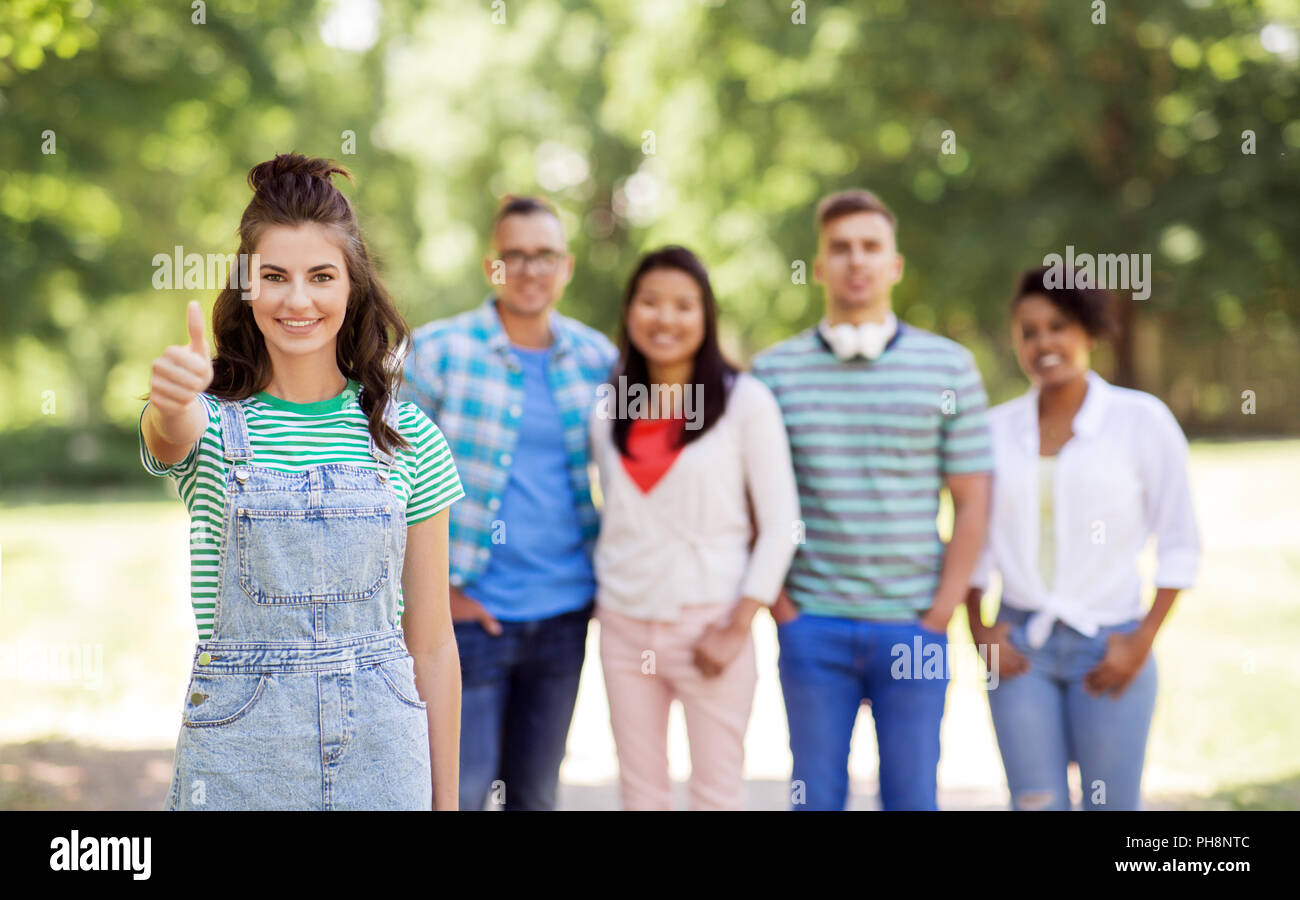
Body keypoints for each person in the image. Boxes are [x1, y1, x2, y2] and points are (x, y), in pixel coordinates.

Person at [138, 153, 465, 810]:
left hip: (385, 756)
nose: (298, 299)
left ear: (352, 287)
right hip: (237, 760)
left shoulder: (408, 439)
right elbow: (165, 433)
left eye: (321, 276)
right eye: (274, 276)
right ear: (247, 286)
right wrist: (172, 399)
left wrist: (446, 803)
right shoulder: (208, 421)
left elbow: (430, 644)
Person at [752, 189, 993, 811]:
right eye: (840, 248)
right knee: (815, 797)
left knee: (913, 797)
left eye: (869, 247)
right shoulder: (772, 374)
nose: (855, 260)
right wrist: (783, 609)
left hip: (912, 624)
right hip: (812, 625)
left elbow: (973, 500)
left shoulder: (950, 368)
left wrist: (939, 614)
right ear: (820, 264)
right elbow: (752, 503)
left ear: (894, 265)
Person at [400, 195, 617, 811]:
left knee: (536, 796)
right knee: (460, 793)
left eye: (544, 255)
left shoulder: (598, 359)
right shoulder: (437, 353)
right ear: (491, 265)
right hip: (467, 615)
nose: (530, 269)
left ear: (566, 266)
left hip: (564, 614)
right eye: (514, 256)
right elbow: (388, 481)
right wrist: (438, 594)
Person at [964, 266, 1200, 810]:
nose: (1044, 341)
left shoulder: (1142, 422)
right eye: (1029, 332)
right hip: (1021, 648)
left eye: (1058, 325)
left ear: (1089, 330)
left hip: (1110, 645)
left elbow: (1180, 541)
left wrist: (1140, 642)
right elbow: (972, 541)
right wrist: (981, 633)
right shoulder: (993, 431)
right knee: (1036, 804)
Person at [589, 246, 800, 810]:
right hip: (624, 626)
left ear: (706, 317)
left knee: (716, 795)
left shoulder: (745, 402)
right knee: (641, 793)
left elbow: (781, 525)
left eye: (684, 305)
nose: (665, 318)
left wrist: (737, 626)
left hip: (712, 624)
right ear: (630, 312)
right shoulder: (607, 408)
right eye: (650, 302)